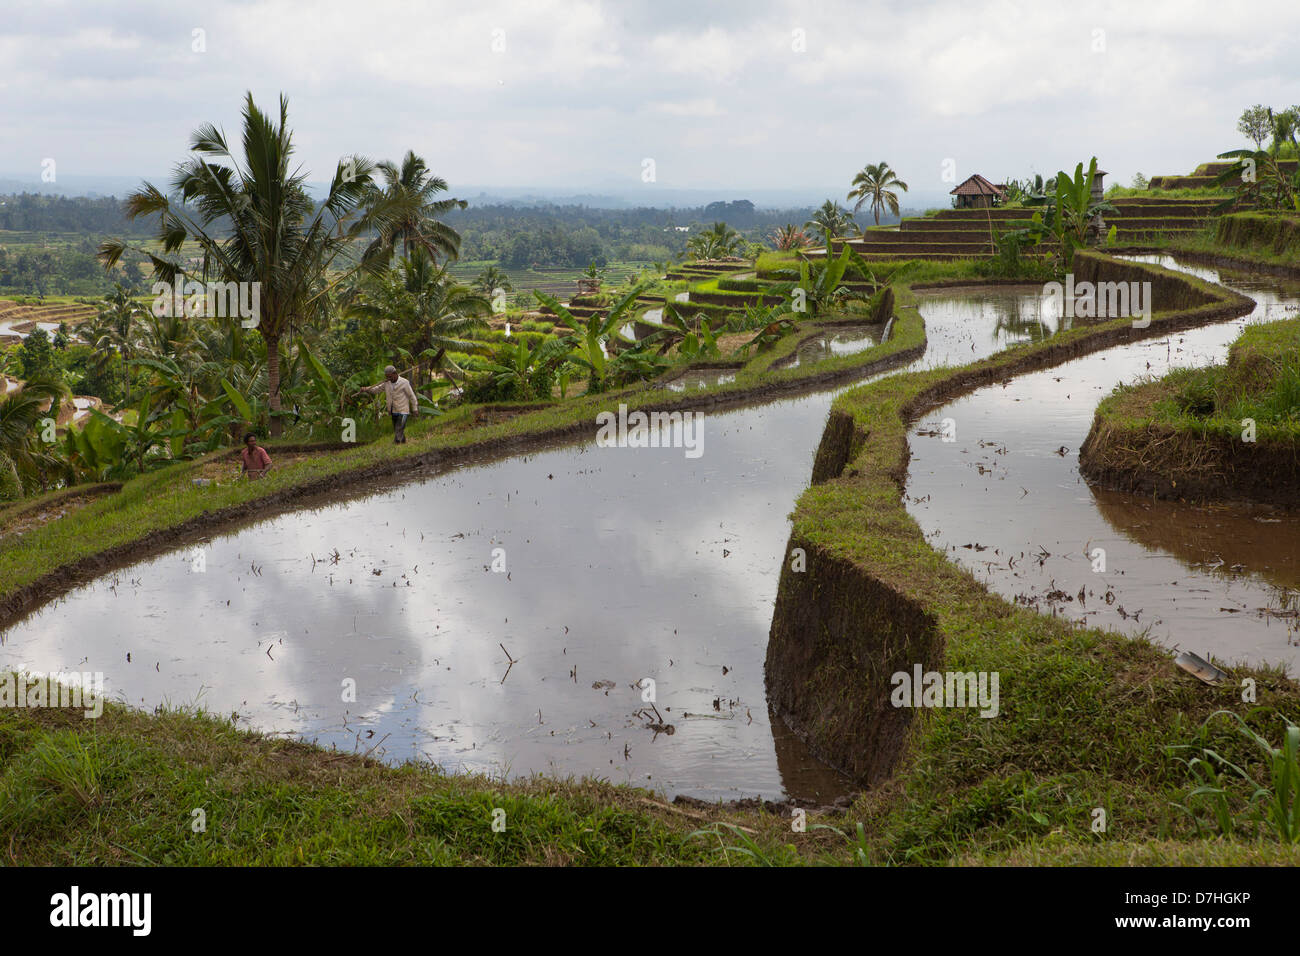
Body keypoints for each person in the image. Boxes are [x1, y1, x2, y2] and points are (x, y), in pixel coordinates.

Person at [358, 364, 419, 444]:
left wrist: (415, 408)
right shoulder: (387, 383)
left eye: (390, 376)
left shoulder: (404, 382)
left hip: (403, 410)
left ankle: (397, 443)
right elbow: (376, 390)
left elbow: (412, 396)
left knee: (399, 427)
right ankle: (403, 442)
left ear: (395, 373)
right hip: (393, 410)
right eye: (387, 377)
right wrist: (366, 389)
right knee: (397, 428)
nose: (388, 378)